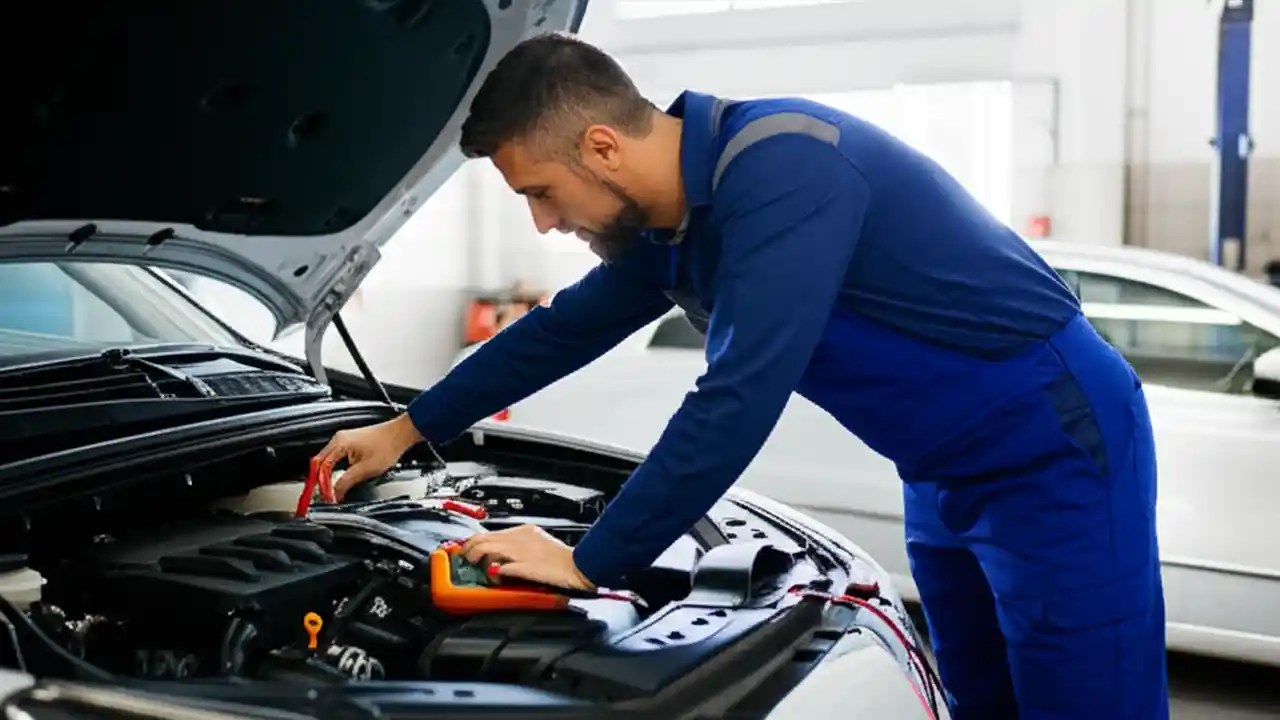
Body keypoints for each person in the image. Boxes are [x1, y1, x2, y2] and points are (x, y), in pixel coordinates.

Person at [313, 33, 1168, 719]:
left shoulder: (787, 170)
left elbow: (739, 393)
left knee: (1086, 704)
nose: (543, 223)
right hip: (941, 473)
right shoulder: (667, 226)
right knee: (982, 699)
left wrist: (590, 560)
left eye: (541, 191)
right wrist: (405, 429)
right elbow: (561, 331)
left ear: (601, 146)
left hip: (1053, 446)